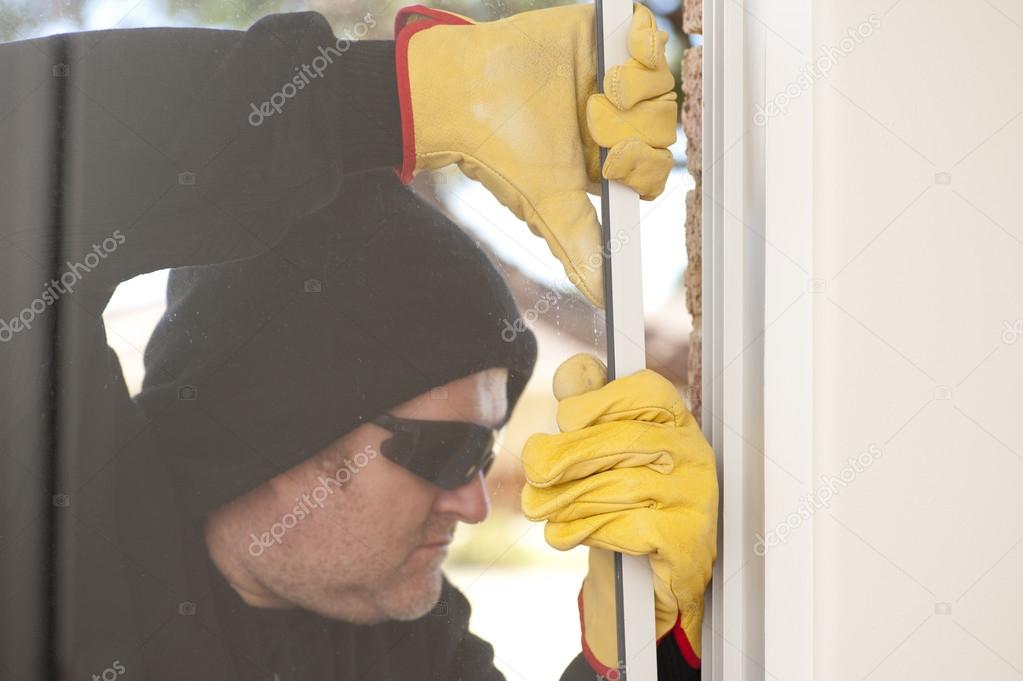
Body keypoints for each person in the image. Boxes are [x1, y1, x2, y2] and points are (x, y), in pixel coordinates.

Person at [0, 3, 713, 679]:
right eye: (445, 452)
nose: (474, 504)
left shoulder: (406, 640)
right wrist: (410, 99)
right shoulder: (56, 548)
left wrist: (639, 654)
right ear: (271, 430)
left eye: (483, 453)